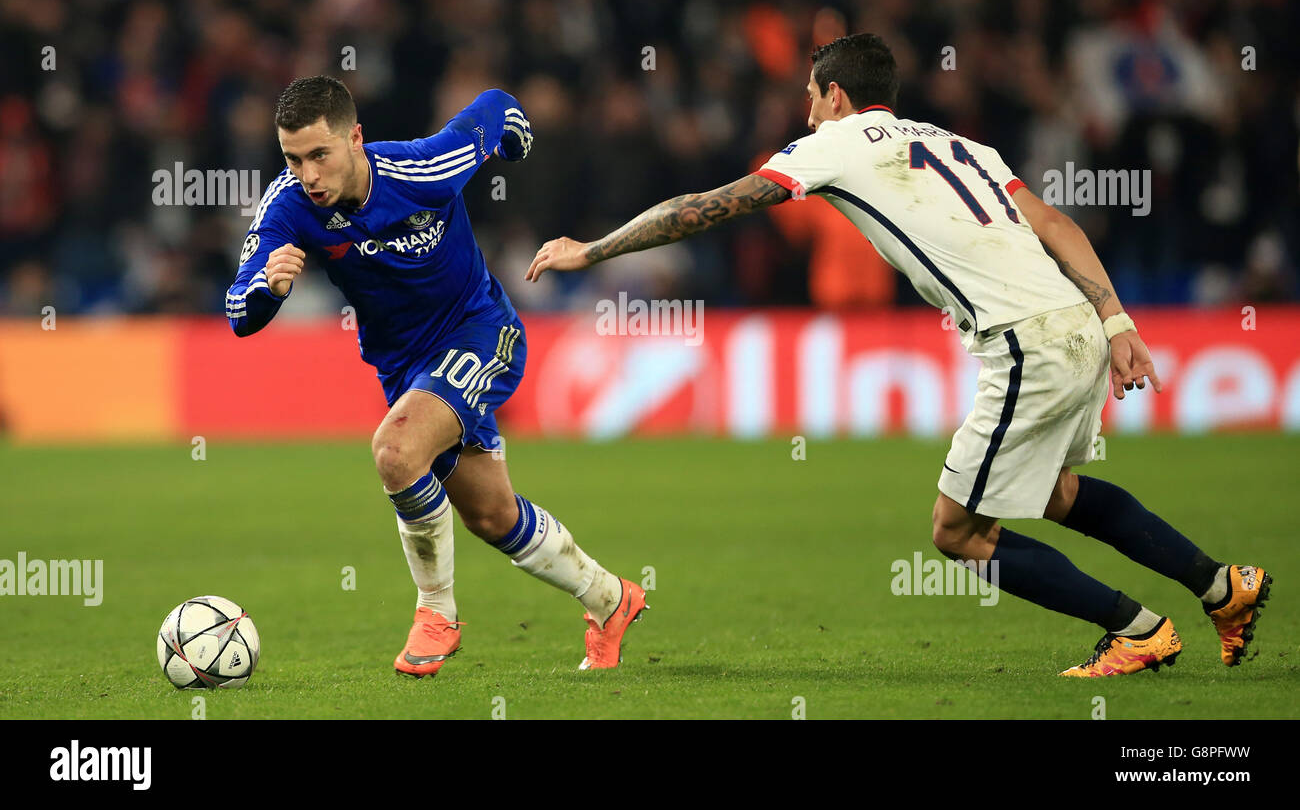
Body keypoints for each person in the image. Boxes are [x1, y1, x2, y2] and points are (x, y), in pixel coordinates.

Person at [524, 34, 1269, 677]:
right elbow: (1052, 220)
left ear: (837, 95)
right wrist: (1115, 320)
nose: (806, 111)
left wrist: (592, 250)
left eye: (811, 96)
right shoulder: (961, 145)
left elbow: (703, 205)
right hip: (1074, 322)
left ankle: (1137, 632)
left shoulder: (833, 144)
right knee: (1054, 493)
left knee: (957, 531)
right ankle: (1219, 587)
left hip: (1024, 342)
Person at [226, 76, 646, 677]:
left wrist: (517, 141)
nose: (309, 174)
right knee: (492, 516)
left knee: (396, 451)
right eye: (293, 159)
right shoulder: (287, 205)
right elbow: (239, 311)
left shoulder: (424, 168)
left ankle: (436, 613)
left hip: (481, 333)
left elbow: (495, 107)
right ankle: (610, 600)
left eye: (320, 154)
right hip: (406, 370)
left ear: (355, 139)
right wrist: (267, 289)